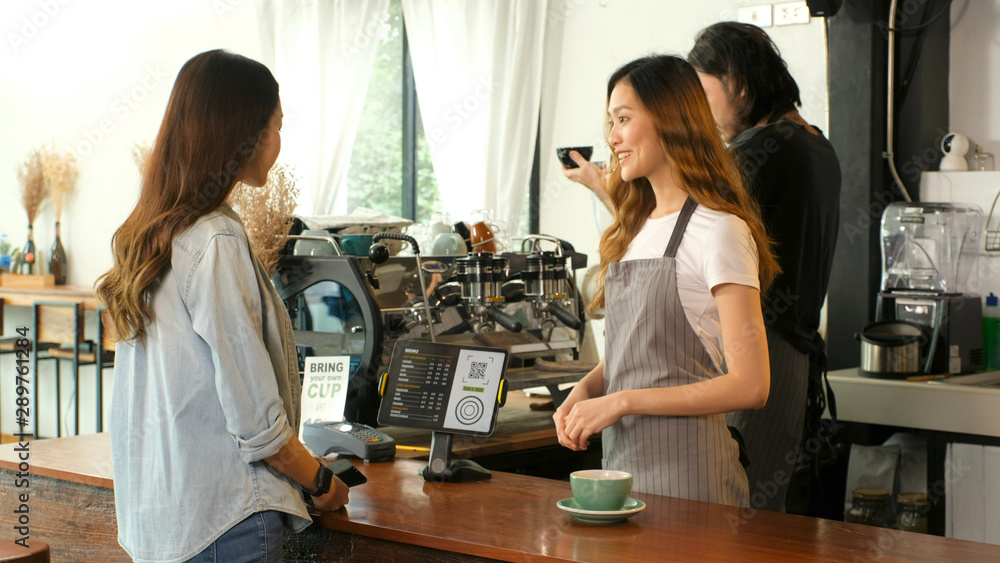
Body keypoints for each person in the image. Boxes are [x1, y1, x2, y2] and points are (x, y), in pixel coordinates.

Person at [96, 50, 348, 563]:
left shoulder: (152, 234)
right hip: (228, 523)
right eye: (276, 125)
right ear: (245, 133)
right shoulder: (217, 240)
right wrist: (322, 482)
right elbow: (259, 426)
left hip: (164, 525)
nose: (279, 141)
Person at [553, 54, 778, 507]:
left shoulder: (719, 230)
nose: (612, 137)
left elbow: (751, 385)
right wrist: (589, 388)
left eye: (623, 118)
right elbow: (639, 350)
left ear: (669, 118)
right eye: (610, 122)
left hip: (693, 480)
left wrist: (621, 402)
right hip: (621, 472)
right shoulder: (633, 230)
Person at [689, 22, 841, 513]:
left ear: (739, 82)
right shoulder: (816, 143)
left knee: (737, 505)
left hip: (756, 343)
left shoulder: (758, 151)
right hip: (793, 347)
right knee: (763, 505)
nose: (703, 113)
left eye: (704, 93)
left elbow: (689, 234)